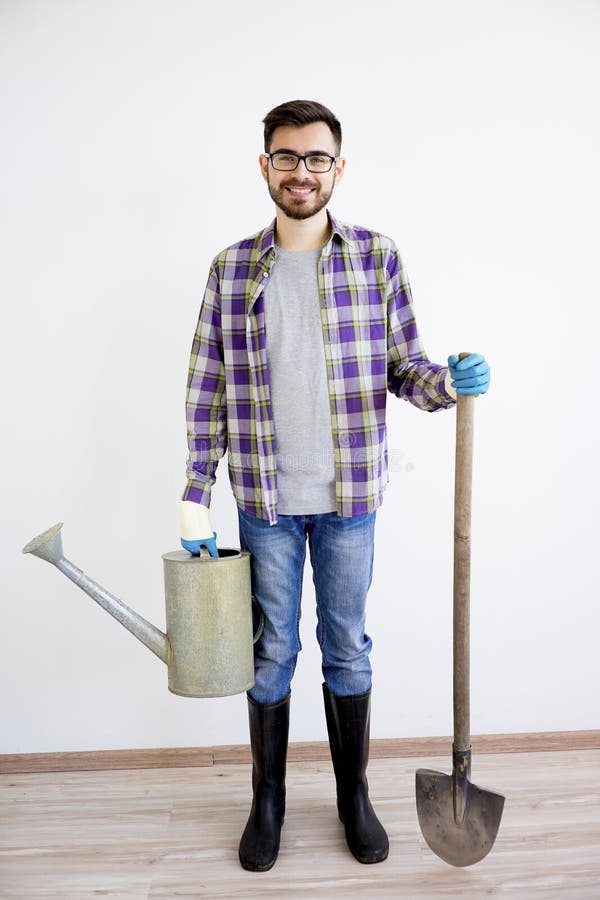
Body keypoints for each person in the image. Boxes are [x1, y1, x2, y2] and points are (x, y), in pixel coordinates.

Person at [179, 100, 490, 872]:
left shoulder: (376, 258)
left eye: (317, 159)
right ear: (265, 167)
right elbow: (207, 384)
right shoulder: (230, 268)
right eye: (286, 157)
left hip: (350, 500)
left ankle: (353, 796)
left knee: (346, 647)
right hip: (267, 502)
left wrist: (447, 384)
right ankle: (269, 801)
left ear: (337, 170)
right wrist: (194, 487)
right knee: (272, 652)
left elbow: (405, 368)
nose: (301, 172)